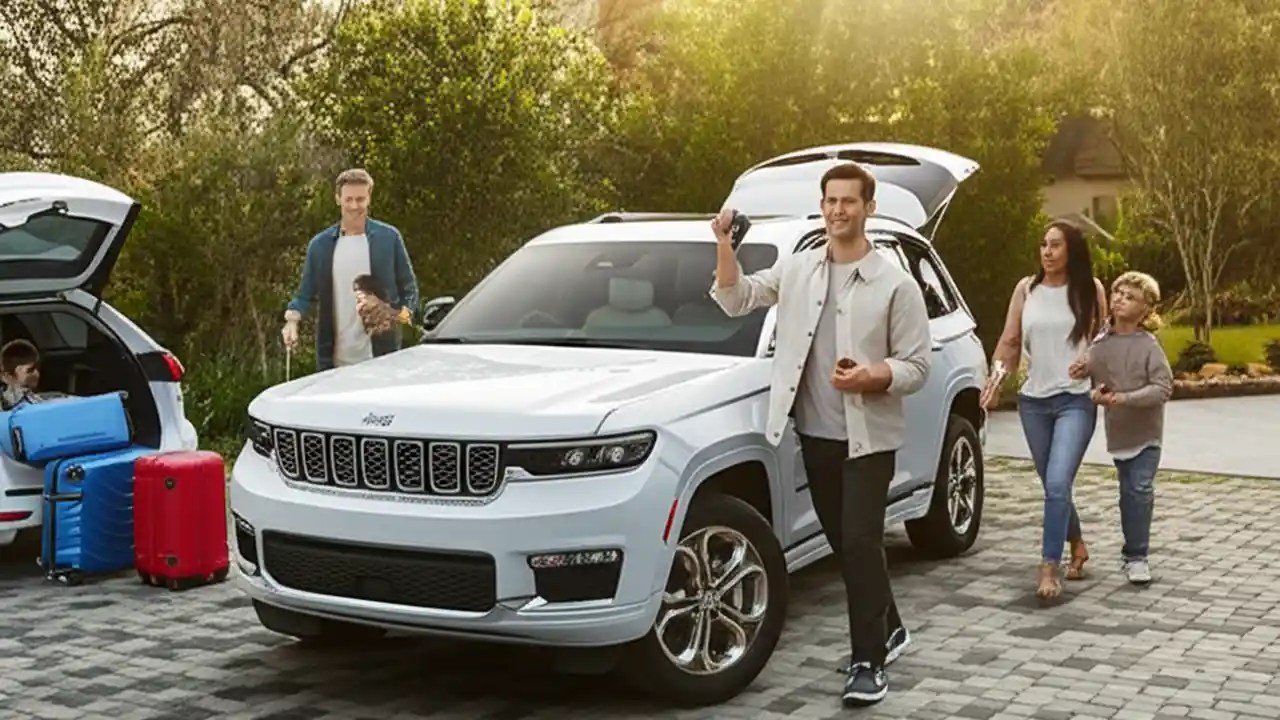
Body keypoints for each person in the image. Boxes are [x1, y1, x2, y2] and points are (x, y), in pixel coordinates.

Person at [710, 162, 932, 707]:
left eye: (848, 202)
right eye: (830, 201)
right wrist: (723, 244)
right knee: (845, 543)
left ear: (869, 208)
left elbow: (917, 366)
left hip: (868, 438)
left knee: (859, 542)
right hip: (815, 434)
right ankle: (892, 627)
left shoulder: (894, 284)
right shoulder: (800, 267)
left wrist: (871, 375)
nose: (838, 210)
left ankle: (867, 662)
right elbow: (735, 298)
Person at [980, 220, 1108, 600]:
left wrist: (1091, 363)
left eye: (1055, 245)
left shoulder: (1090, 289)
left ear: (1071, 250)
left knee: (1056, 484)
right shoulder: (1026, 289)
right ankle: (1078, 544)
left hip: (1076, 400)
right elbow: (1010, 340)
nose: (1047, 252)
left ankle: (1049, 567)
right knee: (1055, 485)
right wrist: (997, 377)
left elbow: (1105, 341)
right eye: (1043, 245)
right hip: (1034, 403)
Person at [1070, 271, 1171, 585]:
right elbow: (1092, 381)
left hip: (1147, 435)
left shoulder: (1148, 346)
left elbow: (1163, 387)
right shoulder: (1100, 343)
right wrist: (1087, 384)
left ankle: (1137, 556)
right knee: (1128, 495)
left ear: (1145, 309)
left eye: (1130, 297)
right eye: (1118, 293)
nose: (1120, 300)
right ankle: (1130, 551)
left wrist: (1125, 398)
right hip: (1119, 435)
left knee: (1139, 490)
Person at [282, 169, 420, 371]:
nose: (354, 206)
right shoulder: (320, 246)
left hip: (383, 360)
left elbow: (410, 290)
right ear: (338, 199)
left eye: (360, 199)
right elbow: (304, 294)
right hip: (334, 364)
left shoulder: (389, 239)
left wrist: (399, 317)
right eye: (348, 200)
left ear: (369, 198)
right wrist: (291, 323)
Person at [0, 339, 41, 409]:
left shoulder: (38, 402)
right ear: (8, 377)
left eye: (37, 368)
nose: (36, 373)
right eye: (30, 370)